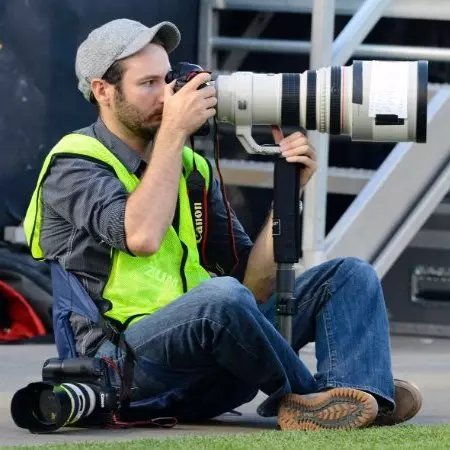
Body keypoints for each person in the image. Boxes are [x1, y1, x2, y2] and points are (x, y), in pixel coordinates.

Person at [23, 18, 422, 430]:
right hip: (123, 367)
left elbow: (254, 287)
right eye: (148, 84)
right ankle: (308, 397)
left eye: (167, 79)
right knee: (221, 298)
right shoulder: (73, 164)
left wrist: (291, 192)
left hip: (208, 360)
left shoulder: (192, 169)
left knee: (348, 275)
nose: (167, 95)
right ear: (103, 90)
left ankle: (359, 394)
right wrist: (175, 133)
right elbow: (139, 236)